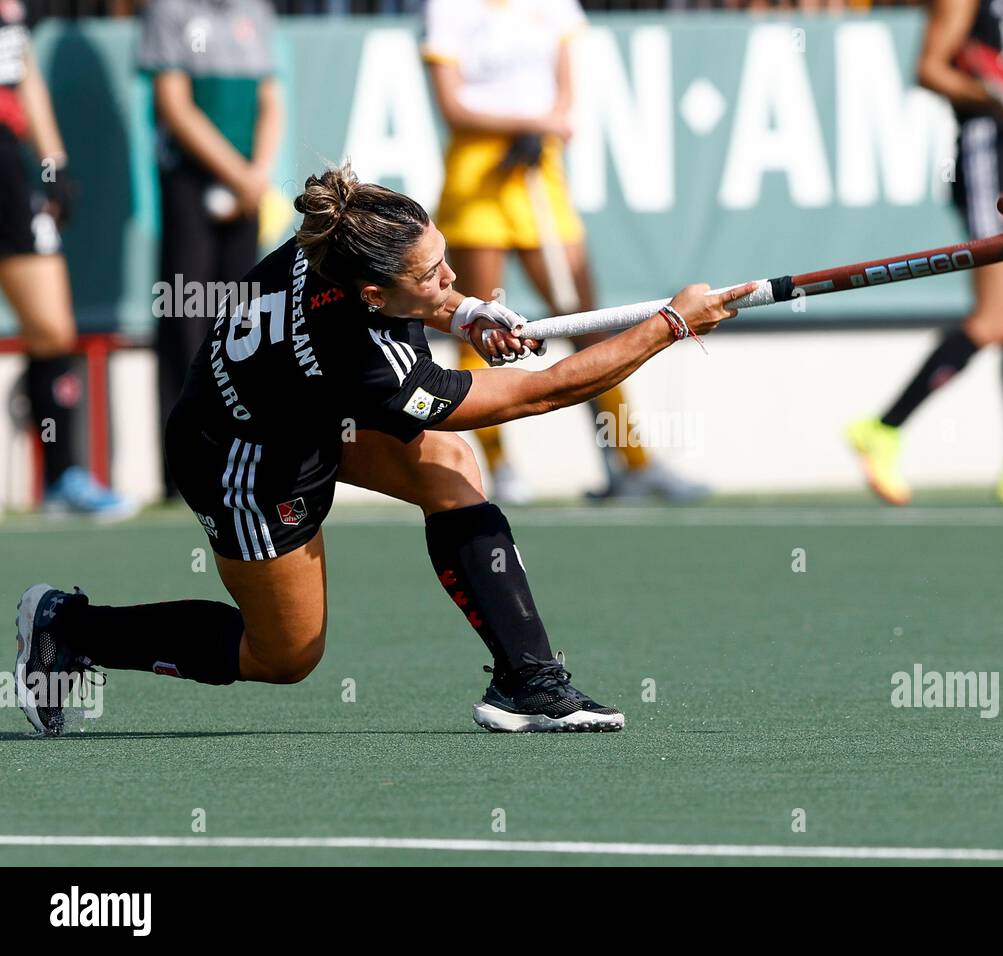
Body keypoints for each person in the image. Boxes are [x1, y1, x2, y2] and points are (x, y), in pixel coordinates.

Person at [14, 165, 756, 737]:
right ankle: (66, 628)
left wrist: (460, 310)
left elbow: (417, 305)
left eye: (444, 258)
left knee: (453, 473)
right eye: (435, 275)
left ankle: (529, 683)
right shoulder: (363, 360)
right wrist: (670, 325)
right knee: (286, 655)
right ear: (376, 295)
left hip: (307, 410)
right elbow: (541, 392)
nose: (452, 274)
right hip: (244, 461)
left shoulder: (346, 235)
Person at [423, 0, 705, 504]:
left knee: (583, 319)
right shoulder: (447, 7)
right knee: (479, 317)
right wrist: (525, 123)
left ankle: (631, 460)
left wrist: (543, 127)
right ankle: (498, 466)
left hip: (538, 169)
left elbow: (566, 91)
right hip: (479, 174)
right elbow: (452, 105)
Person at [846, 0, 1003, 507]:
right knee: (995, 319)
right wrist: (994, 99)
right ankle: (881, 429)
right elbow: (930, 70)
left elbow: (1001, 72)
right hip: (986, 163)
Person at [138, 0, 283, 500]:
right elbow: (174, 107)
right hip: (191, 182)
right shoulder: (169, 10)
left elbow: (269, 97)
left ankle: (240, 458)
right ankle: (181, 470)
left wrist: (257, 172)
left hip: (245, 188)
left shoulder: (254, 10)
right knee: (186, 317)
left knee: (245, 323)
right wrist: (238, 175)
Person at [0, 0, 133, 517]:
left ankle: (62, 479)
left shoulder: (16, 13)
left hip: (9, 167)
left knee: (52, 328)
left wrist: (54, 162)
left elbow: (23, 70)